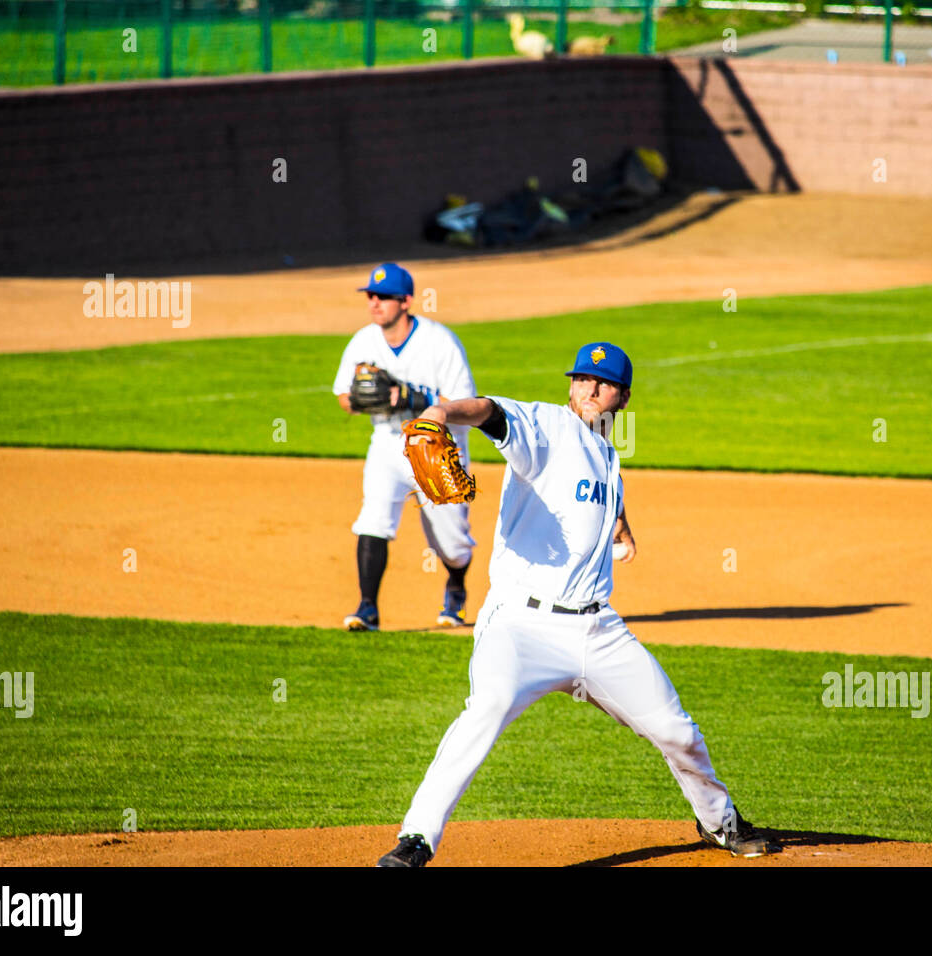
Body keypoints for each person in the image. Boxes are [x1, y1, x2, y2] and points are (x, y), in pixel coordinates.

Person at [377, 342, 779, 866]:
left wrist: (620, 523)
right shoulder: (543, 426)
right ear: (570, 385)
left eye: (603, 383)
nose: (590, 389)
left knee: (677, 731)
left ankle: (719, 822)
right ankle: (416, 839)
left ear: (623, 398)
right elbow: (491, 413)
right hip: (519, 626)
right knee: (487, 708)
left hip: (598, 630)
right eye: (582, 379)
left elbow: (593, 491)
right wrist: (442, 412)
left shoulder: (607, 451)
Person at [333, 263, 477, 631]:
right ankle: (368, 609)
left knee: (453, 545)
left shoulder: (440, 341)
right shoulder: (363, 341)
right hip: (387, 443)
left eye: (383, 296)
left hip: (436, 446)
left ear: (406, 301)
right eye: (370, 295)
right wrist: (366, 400)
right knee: (373, 520)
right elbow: (345, 398)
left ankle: (456, 585)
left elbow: (464, 402)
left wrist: (415, 398)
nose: (375, 302)